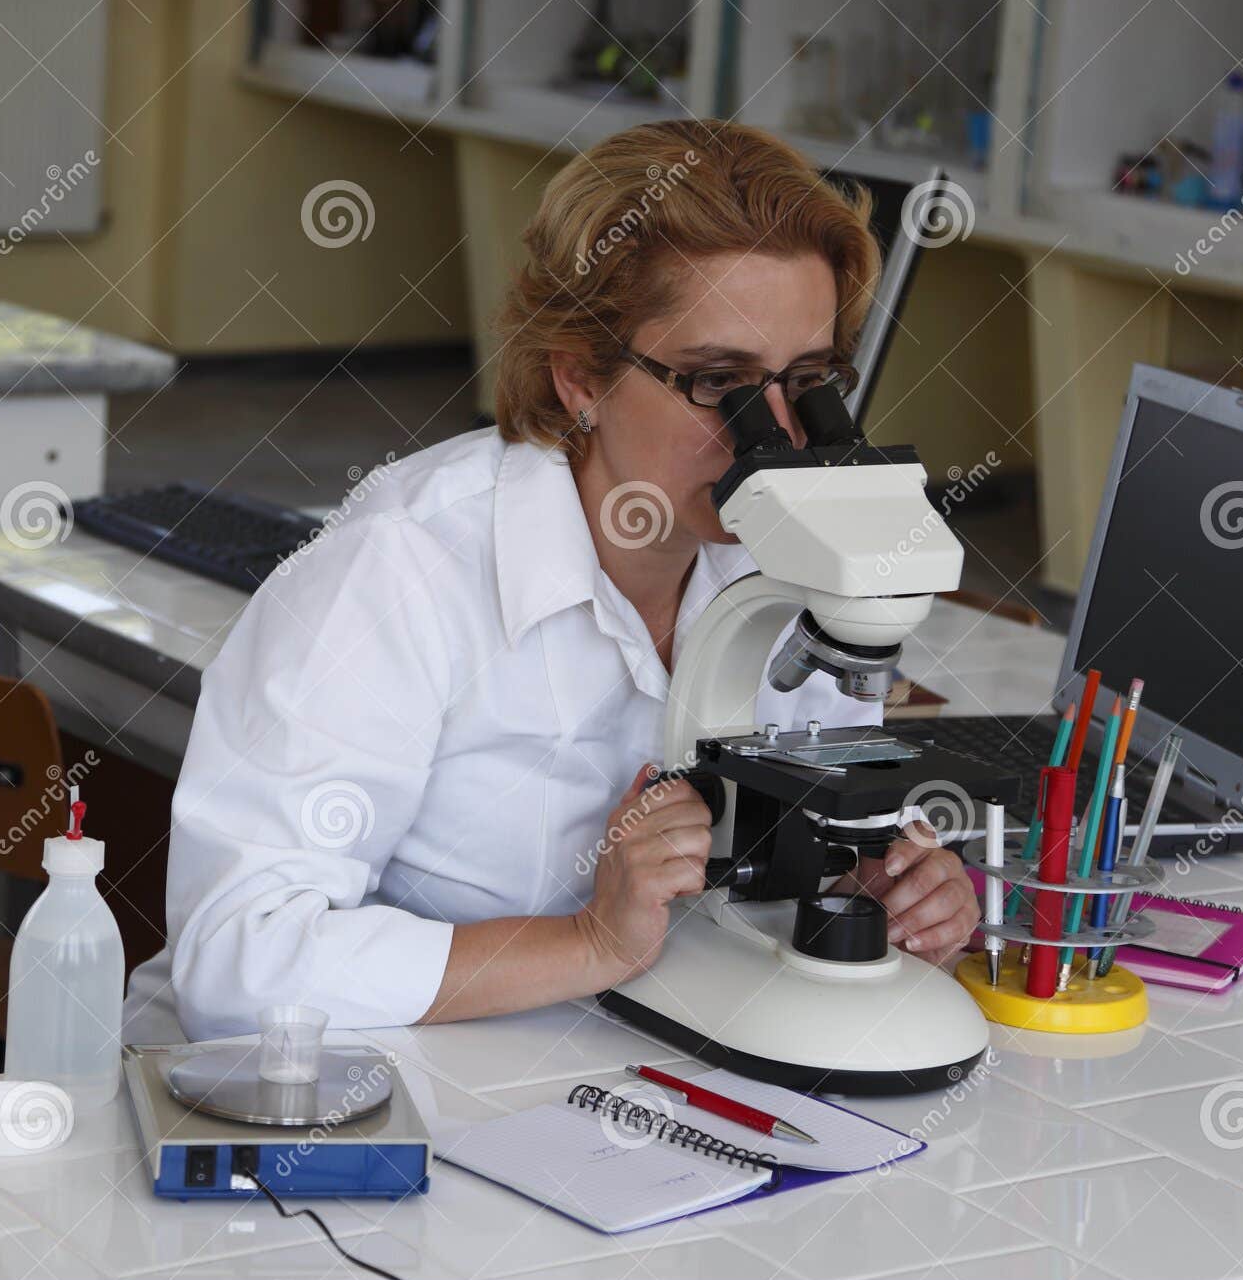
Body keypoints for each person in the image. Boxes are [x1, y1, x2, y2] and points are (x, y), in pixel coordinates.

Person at [122, 118, 980, 1043]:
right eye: (714, 381)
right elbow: (238, 965)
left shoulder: (794, 566)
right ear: (579, 377)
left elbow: (817, 825)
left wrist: (877, 892)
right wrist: (588, 941)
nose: (767, 434)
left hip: (615, 1081)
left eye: (807, 380)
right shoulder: (402, 568)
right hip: (315, 1106)